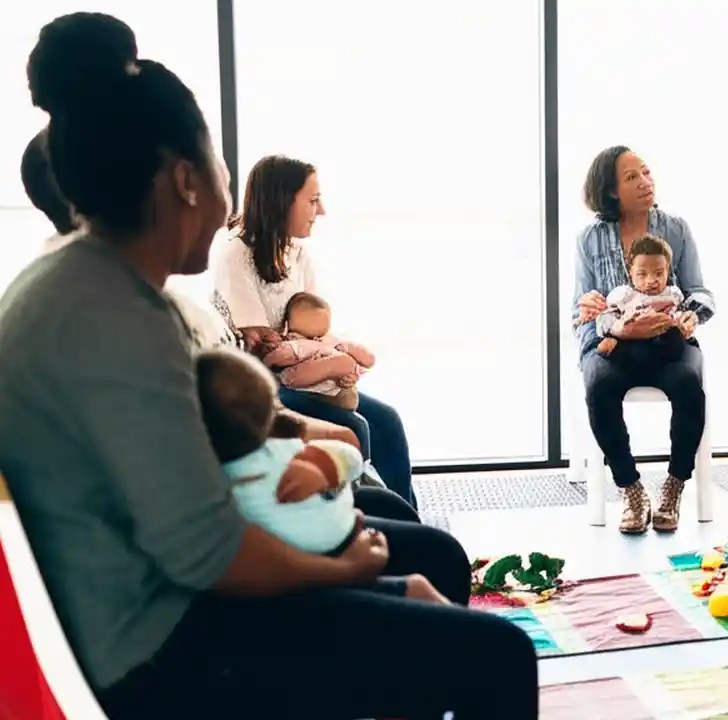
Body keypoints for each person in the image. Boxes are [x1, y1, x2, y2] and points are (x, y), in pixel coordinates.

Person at [0, 13, 536, 719]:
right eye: (221, 164)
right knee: (494, 654)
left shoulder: (81, 284)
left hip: (145, 609)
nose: (226, 185)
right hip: (160, 651)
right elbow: (211, 557)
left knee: (427, 577)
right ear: (188, 179)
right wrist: (344, 571)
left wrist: (359, 571)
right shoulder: (115, 315)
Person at [19, 116, 419, 525]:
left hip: (236, 497)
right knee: (419, 538)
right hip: (230, 521)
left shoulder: (82, 299)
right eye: (204, 167)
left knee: (383, 430)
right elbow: (224, 432)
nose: (224, 194)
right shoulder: (137, 320)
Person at [212, 154, 417, 510]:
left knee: (388, 421)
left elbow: (310, 329)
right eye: (312, 199)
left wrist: (336, 359)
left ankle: (407, 519)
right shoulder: (236, 255)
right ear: (281, 200)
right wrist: (324, 361)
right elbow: (264, 352)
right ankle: (356, 523)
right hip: (262, 386)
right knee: (355, 427)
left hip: (299, 373)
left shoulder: (295, 251)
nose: (320, 211)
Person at [195, 348, 440, 602]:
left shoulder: (279, 448)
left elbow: (349, 456)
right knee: (424, 579)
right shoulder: (218, 484)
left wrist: (324, 468)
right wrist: (348, 566)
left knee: (421, 535)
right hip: (316, 563)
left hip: (336, 534)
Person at [573, 145, 714, 534]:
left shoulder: (676, 228)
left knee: (689, 384)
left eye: (647, 173)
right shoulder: (590, 239)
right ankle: (631, 488)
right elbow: (580, 309)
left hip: (668, 342)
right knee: (599, 385)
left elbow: (699, 291)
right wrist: (615, 326)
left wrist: (691, 314)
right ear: (611, 189)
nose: (644, 182)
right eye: (632, 177)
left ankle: (674, 485)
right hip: (613, 343)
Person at [259, 291, 374, 411]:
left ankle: (340, 367)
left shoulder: (328, 340)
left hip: (337, 390)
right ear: (287, 324)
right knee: (342, 361)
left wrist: (349, 378)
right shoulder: (296, 343)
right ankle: (335, 366)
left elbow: (275, 357)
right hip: (307, 389)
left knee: (347, 362)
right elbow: (279, 355)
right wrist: (265, 365)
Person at [594, 234, 691, 365]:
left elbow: (681, 312)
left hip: (662, 334)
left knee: (676, 342)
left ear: (667, 271)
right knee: (630, 348)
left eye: (659, 273)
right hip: (633, 336)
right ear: (631, 273)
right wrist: (617, 327)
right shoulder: (625, 296)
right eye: (642, 274)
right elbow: (606, 316)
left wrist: (681, 322)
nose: (651, 281)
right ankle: (613, 345)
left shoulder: (672, 295)